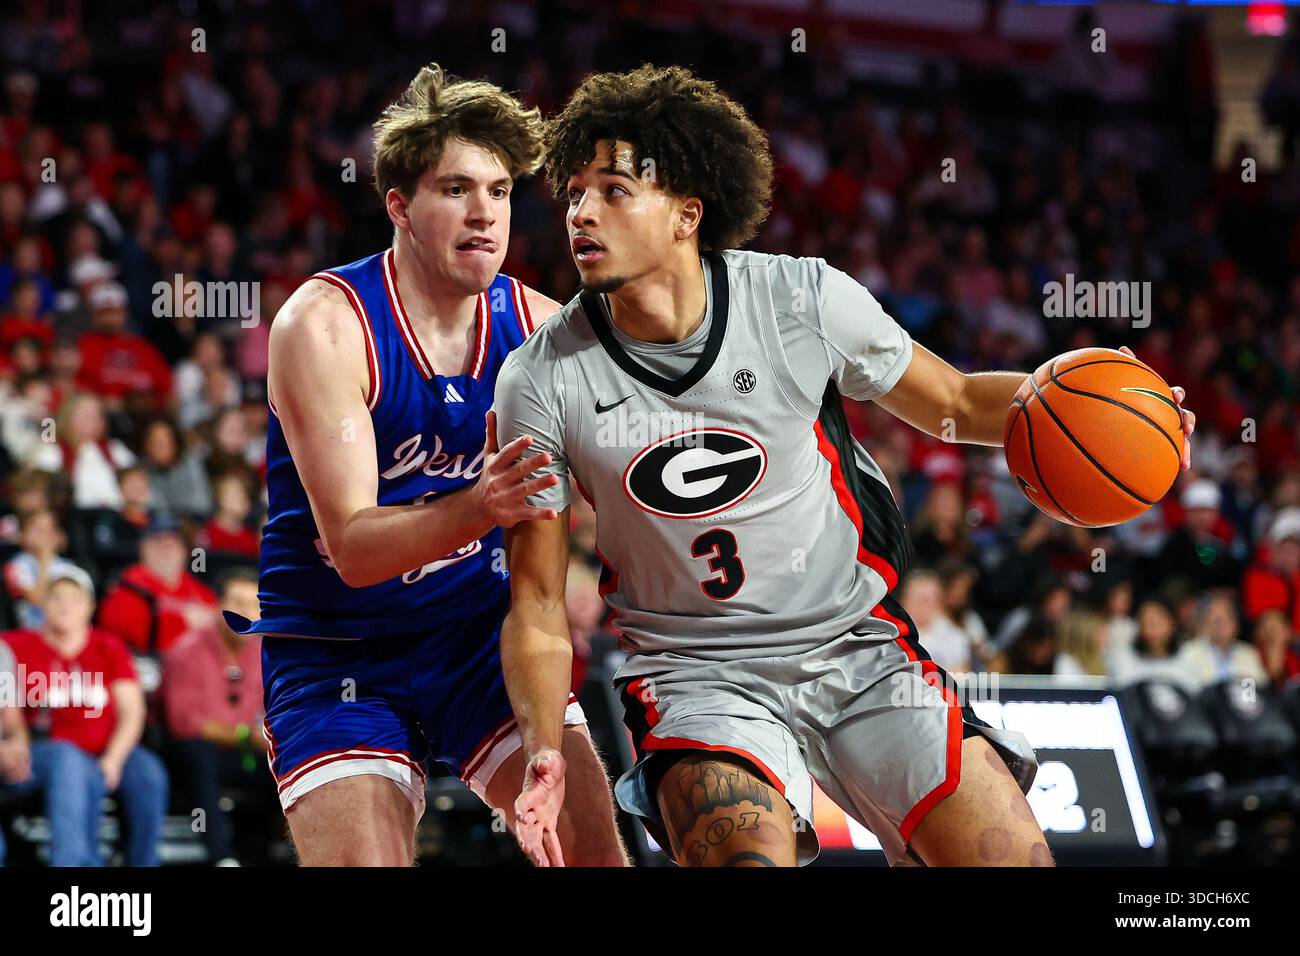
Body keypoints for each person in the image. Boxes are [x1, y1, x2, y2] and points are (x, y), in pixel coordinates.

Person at [493, 65, 1192, 868]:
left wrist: (1111, 409)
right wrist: (543, 746)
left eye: (614, 190)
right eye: (574, 193)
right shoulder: (539, 379)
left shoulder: (800, 300)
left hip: (857, 645)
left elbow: (958, 402)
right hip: (697, 674)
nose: (581, 213)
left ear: (688, 212)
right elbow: (537, 601)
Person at [221, 64, 626, 867]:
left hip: (477, 638)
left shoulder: (541, 328)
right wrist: (483, 504)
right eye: (456, 189)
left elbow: (633, 473)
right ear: (400, 206)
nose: (484, 213)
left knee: (594, 854)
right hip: (337, 647)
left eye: (500, 191)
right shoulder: (326, 325)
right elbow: (353, 548)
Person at [1, 573, 169, 865]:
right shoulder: (12, 645)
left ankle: (144, 863)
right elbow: (9, 710)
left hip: (105, 748)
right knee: (70, 763)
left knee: (148, 773)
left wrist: (114, 758)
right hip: (45, 752)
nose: (65, 606)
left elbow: (132, 712)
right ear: (42, 604)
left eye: (74, 599)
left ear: (90, 607)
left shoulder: (109, 646)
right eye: (56, 598)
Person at [162, 568, 274, 866]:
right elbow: (185, 724)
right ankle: (222, 858)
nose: (245, 612)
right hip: (193, 755)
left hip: (244, 753)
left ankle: (275, 854)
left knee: (286, 761)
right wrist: (245, 735)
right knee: (199, 754)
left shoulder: (265, 652)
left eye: (253, 604)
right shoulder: (187, 650)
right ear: (218, 606)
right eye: (237, 602)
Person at [97, 513, 219, 655]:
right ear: (143, 548)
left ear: (184, 550)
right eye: (157, 541)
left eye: (173, 542)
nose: (165, 548)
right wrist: (182, 623)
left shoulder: (199, 590)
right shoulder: (127, 585)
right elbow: (120, 629)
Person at [1175, 591, 1267, 689]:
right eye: (1217, 620)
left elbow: (1256, 691)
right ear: (1205, 623)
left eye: (1227, 617)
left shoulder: (1248, 653)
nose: (1222, 625)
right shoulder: (1190, 652)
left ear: (1236, 623)